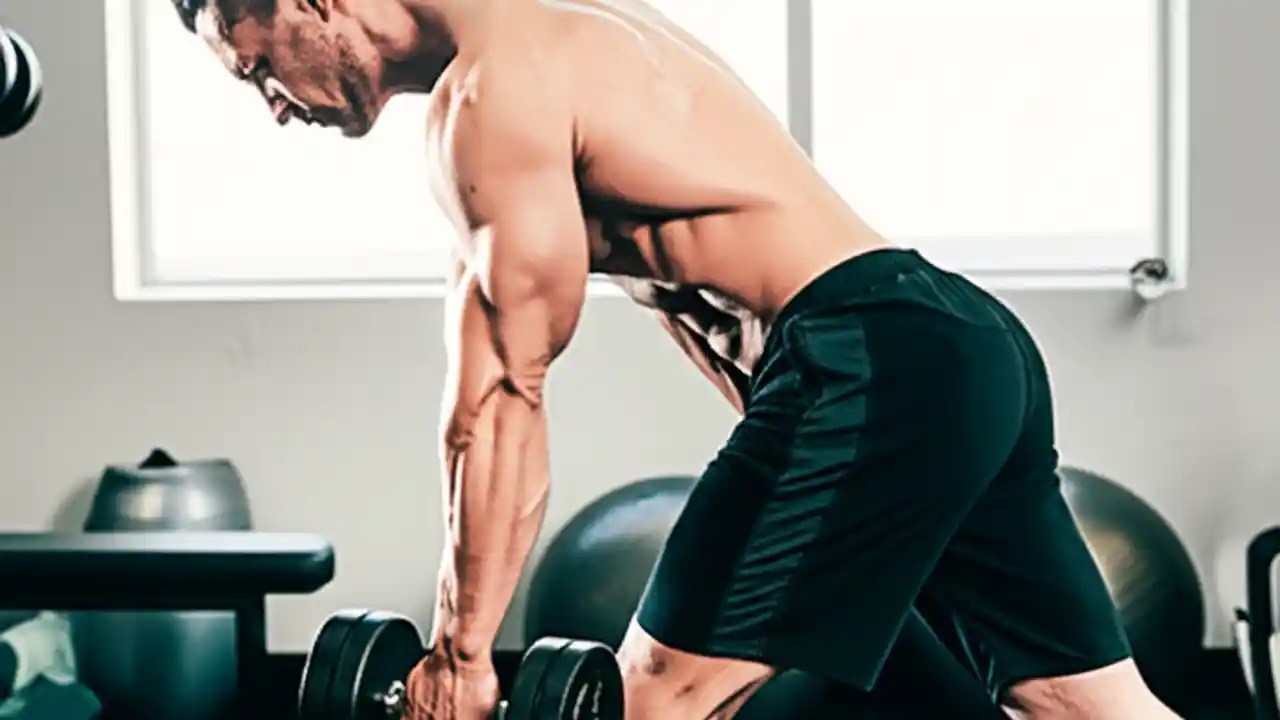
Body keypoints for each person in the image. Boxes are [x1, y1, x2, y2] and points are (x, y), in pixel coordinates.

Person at [169, 1, 1183, 718]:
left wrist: (461, 657)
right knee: (1085, 706)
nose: (274, 106)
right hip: (957, 338)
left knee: (652, 700)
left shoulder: (489, 97)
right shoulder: (566, 30)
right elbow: (697, 304)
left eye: (257, 69)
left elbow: (500, 395)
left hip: (870, 356)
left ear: (313, 2)